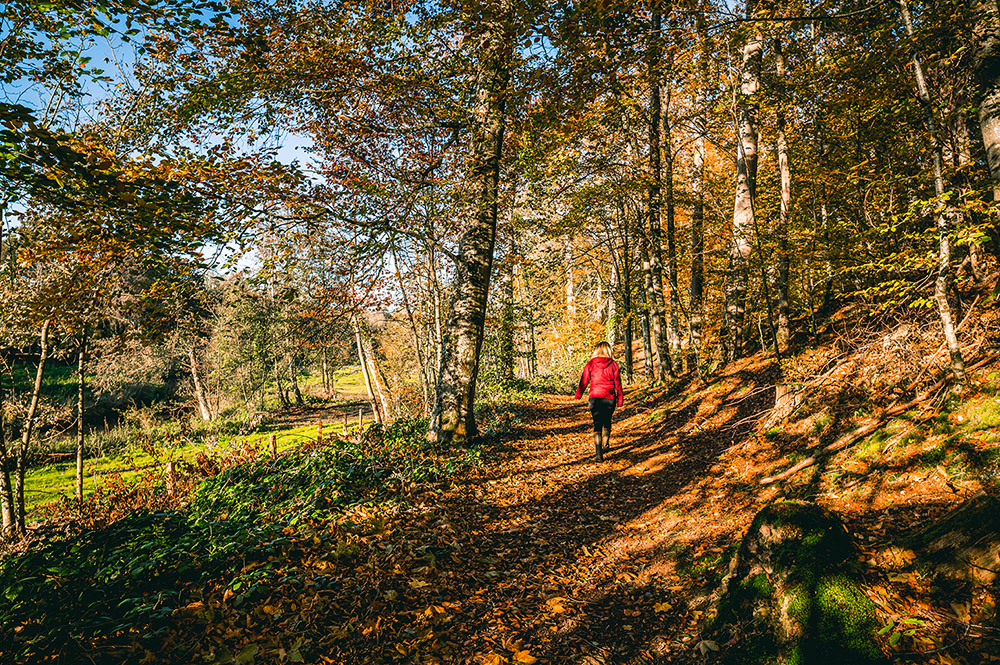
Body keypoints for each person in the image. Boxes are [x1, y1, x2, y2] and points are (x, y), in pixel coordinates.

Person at [574, 341, 623, 462]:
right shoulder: (613, 364)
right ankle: (605, 445)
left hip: (595, 398)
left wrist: (578, 394)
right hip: (609, 398)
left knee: (597, 423)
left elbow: (584, 380)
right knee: (606, 421)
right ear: (608, 351)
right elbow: (618, 383)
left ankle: (598, 454)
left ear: (596, 351)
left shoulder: (590, 364)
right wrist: (620, 398)